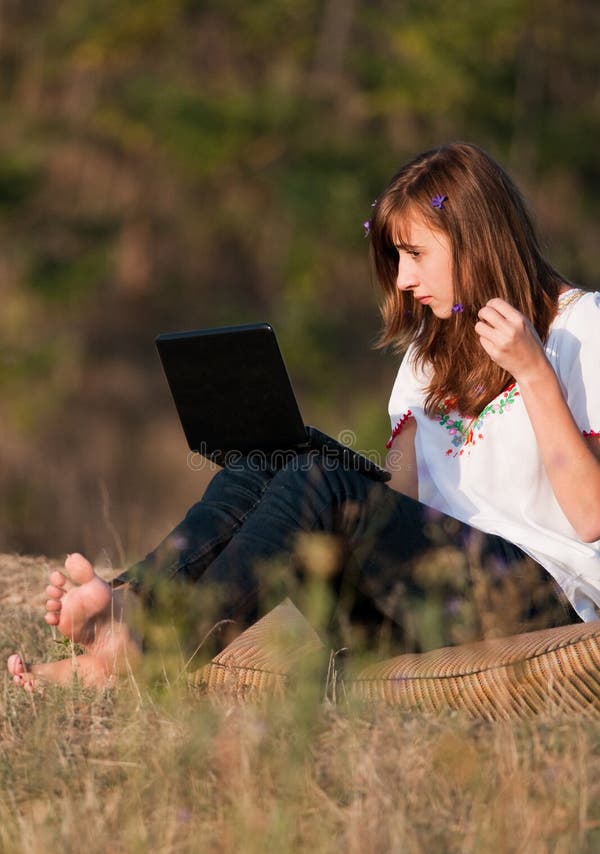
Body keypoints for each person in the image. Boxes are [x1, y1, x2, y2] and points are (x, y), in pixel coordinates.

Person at [8, 142, 600, 690]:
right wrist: (302, 466)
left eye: (416, 253)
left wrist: (534, 373)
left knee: (318, 481)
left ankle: (145, 654)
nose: (403, 278)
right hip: (428, 594)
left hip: (537, 596)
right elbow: (404, 502)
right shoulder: (429, 354)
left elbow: (591, 516)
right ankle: (135, 602)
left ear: (476, 239)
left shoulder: (581, 329)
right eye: (396, 257)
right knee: (271, 460)